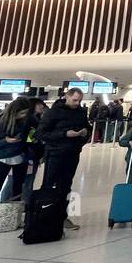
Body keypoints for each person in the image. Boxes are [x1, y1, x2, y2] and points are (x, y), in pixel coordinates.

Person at [0, 97, 34, 234]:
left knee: (17, 187)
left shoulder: (27, 120)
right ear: (14, 112)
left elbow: (34, 131)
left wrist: (32, 140)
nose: (24, 116)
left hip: (21, 157)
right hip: (3, 158)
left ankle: (15, 216)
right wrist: (6, 141)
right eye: (22, 113)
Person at [37, 87, 90, 230]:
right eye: (74, 100)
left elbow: (87, 128)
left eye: (79, 101)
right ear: (67, 96)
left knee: (65, 186)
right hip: (55, 153)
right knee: (48, 185)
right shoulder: (53, 112)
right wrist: (64, 134)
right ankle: (42, 216)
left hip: (72, 153)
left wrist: (84, 135)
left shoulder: (81, 112)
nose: (77, 103)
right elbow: (41, 133)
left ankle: (61, 217)